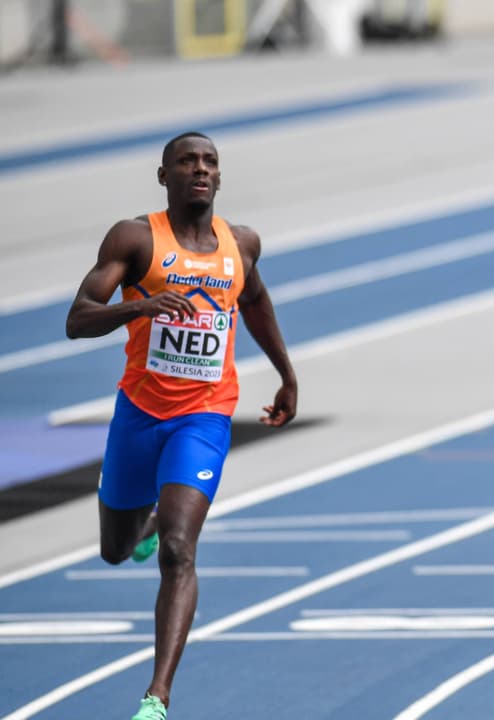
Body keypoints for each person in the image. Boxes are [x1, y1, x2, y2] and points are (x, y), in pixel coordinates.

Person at [65, 131, 298, 720]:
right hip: (139, 414)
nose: (200, 169)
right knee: (116, 550)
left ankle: (157, 697)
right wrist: (139, 305)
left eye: (209, 162)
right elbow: (78, 319)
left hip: (204, 415)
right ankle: (141, 521)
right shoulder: (136, 239)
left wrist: (286, 374)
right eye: (187, 161)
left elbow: (255, 302)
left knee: (178, 550)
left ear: (219, 177)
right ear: (163, 175)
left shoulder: (241, 245)